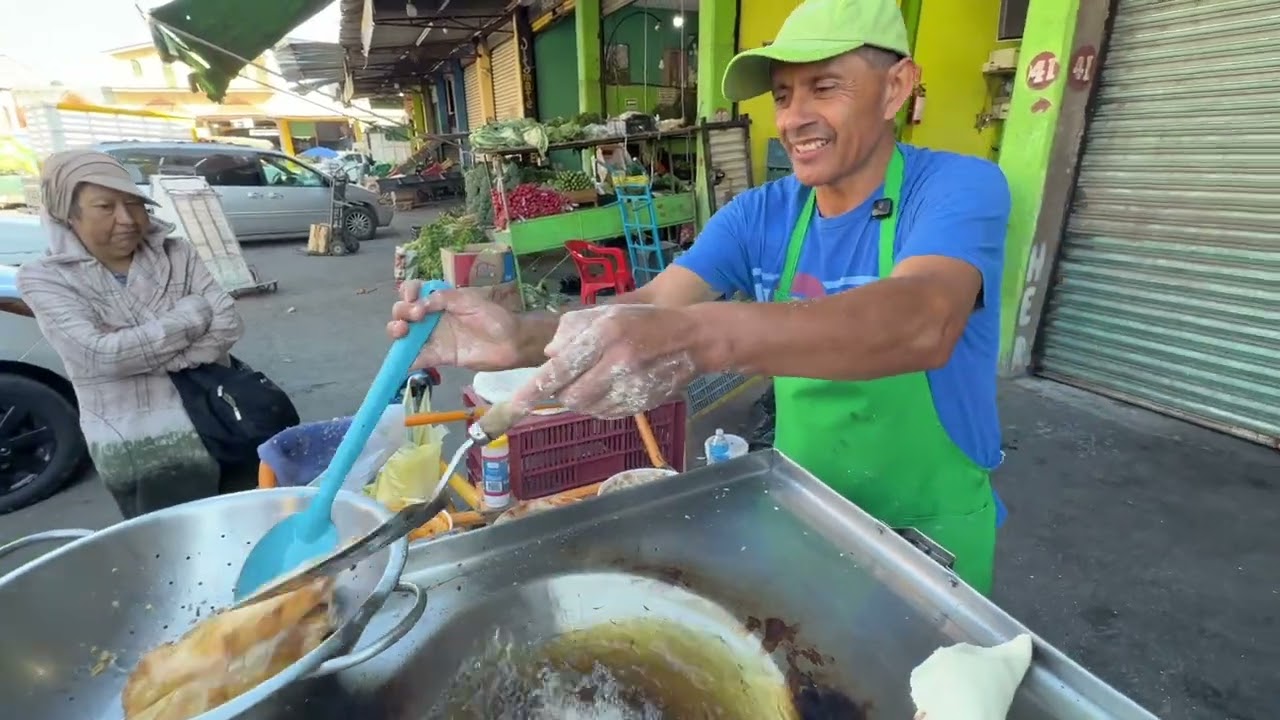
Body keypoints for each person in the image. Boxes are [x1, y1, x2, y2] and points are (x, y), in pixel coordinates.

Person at [390, 0, 1011, 594]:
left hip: (925, 530)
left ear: (896, 88)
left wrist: (702, 336)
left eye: (825, 88)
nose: (794, 119)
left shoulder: (957, 188)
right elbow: (654, 303)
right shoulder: (761, 215)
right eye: (784, 95)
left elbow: (922, 320)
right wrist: (521, 334)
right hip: (805, 507)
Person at [17, 150, 247, 519]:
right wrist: (191, 314)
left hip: (225, 420)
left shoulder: (177, 252)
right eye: (105, 207)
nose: (126, 219)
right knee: (173, 542)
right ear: (67, 213)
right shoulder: (44, 277)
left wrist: (149, 353)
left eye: (134, 203)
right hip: (141, 444)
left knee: (249, 523)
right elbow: (103, 356)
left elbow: (228, 323)